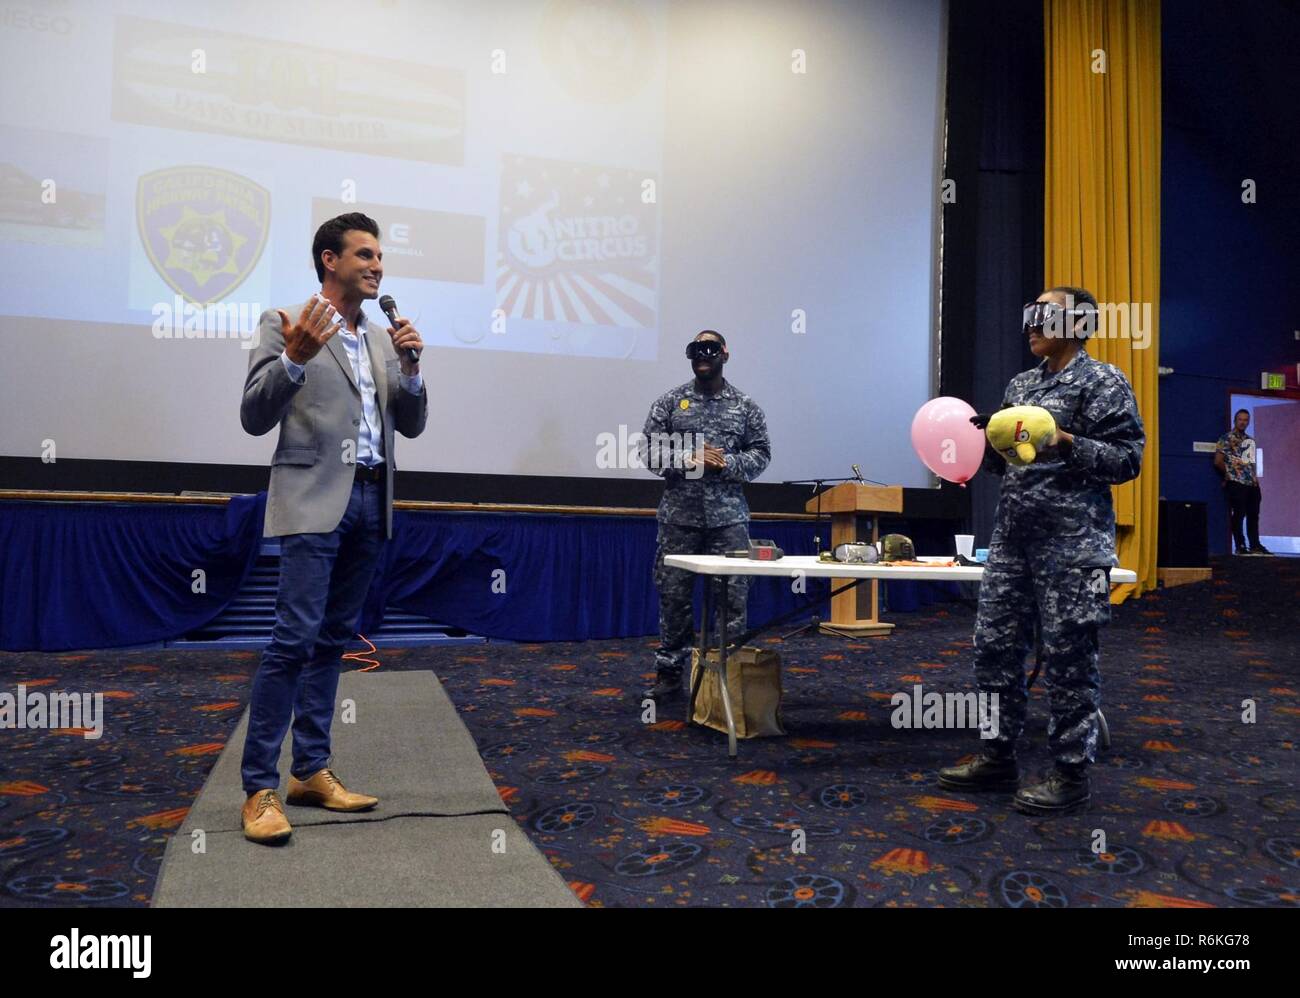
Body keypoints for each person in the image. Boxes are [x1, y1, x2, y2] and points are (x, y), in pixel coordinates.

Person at [237, 212, 428, 844]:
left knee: (331, 642)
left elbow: (413, 425)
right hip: (315, 501)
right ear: (329, 260)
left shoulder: (381, 339)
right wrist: (293, 359)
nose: (377, 265)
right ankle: (259, 787)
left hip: (373, 502)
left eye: (381, 257)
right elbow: (253, 416)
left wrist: (413, 371)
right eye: (365, 255)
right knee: (292, 642)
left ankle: (310, 771)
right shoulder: (284, 322)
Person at [938, 287, 1144, 814]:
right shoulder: (1022, 384)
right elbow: (1009, 462)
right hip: (1012, 543)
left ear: (1077, 324)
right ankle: (997, 756)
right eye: (1028, 313)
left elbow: (1126, 460)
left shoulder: (1103, 382)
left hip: (1073, 548)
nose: (1030, 324)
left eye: (1043, 315)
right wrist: (985, 446)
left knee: (1069, 660)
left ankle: (1071, 775)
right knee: (995, 651)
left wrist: (1066, 441)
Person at [640, 331, 771, 701]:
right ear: (691, 357)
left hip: (728, 520)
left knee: (731, 599)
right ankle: (670, 674)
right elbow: (648, 453)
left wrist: (725, 463)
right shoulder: (670, 402)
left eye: (712, 350)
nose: (704, 356)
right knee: (674, 597)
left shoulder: (745, 406)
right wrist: (687, 460)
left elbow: (761, 454)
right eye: (698, 351)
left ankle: (726, 673)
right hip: (678, 518)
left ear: (725, 356)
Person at [1215, 409, 1270, 555]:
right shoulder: (1226, 438)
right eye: (1240, 419)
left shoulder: (1249, 441)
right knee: (1239, 513)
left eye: (1246, 420)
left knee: (1254, 514)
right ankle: (1240, 545)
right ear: (1235, 420)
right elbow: (1218, 461)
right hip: (1236, 481)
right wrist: (1228, 474)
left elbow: (1250, 463)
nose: (1243, 422)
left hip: (1251, 483)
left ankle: (1255, 545)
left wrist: (1255, 480)